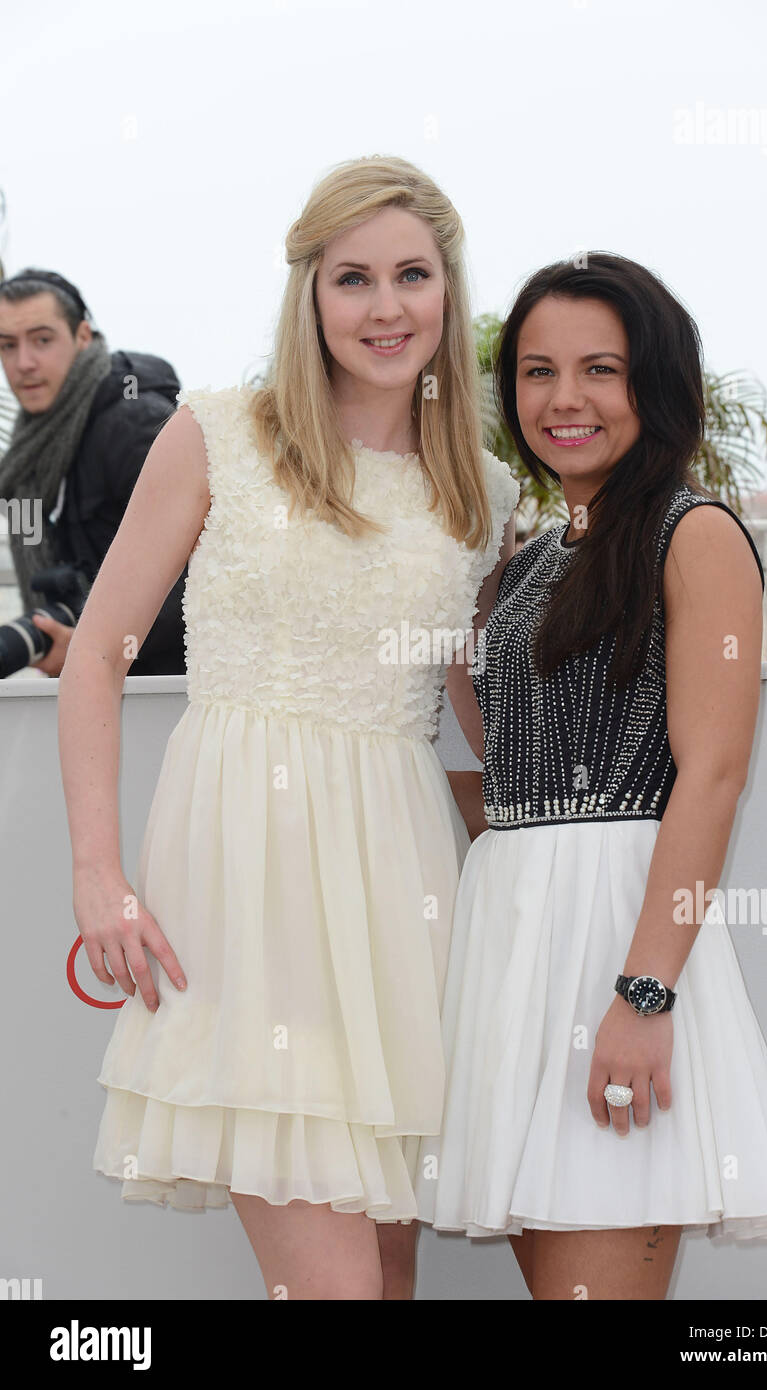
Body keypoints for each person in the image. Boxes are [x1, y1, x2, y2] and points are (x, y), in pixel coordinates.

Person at [56, 155, 519, 1300]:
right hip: (244, 884)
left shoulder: (486, 491)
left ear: (447, 292)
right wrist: (98, 875)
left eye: (412, 275)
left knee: (387, 1274)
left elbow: (482, 722)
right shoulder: (216, 435)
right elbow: (95, 662)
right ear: (309, 292)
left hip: (404, 892)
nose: (384, 306)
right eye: (351, 276)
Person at [414, 253, 767, 1299]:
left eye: (601, 367)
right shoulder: (518, 565)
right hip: (510, 957)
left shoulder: (697, 534)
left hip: (619, 950)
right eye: (538, 371)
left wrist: (642, 994)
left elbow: (713, 776)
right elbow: (508, 785)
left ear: (656, 382)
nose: (564, 398)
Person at [0, 269, 185, 675]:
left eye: (42, 340)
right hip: (110, 684)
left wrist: (93, 646)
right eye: (7, 346)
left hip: (167, 691)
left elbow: (193, 579)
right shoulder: (22, 461)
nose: (23, 363)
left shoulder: (133, 423)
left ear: (83, 336)